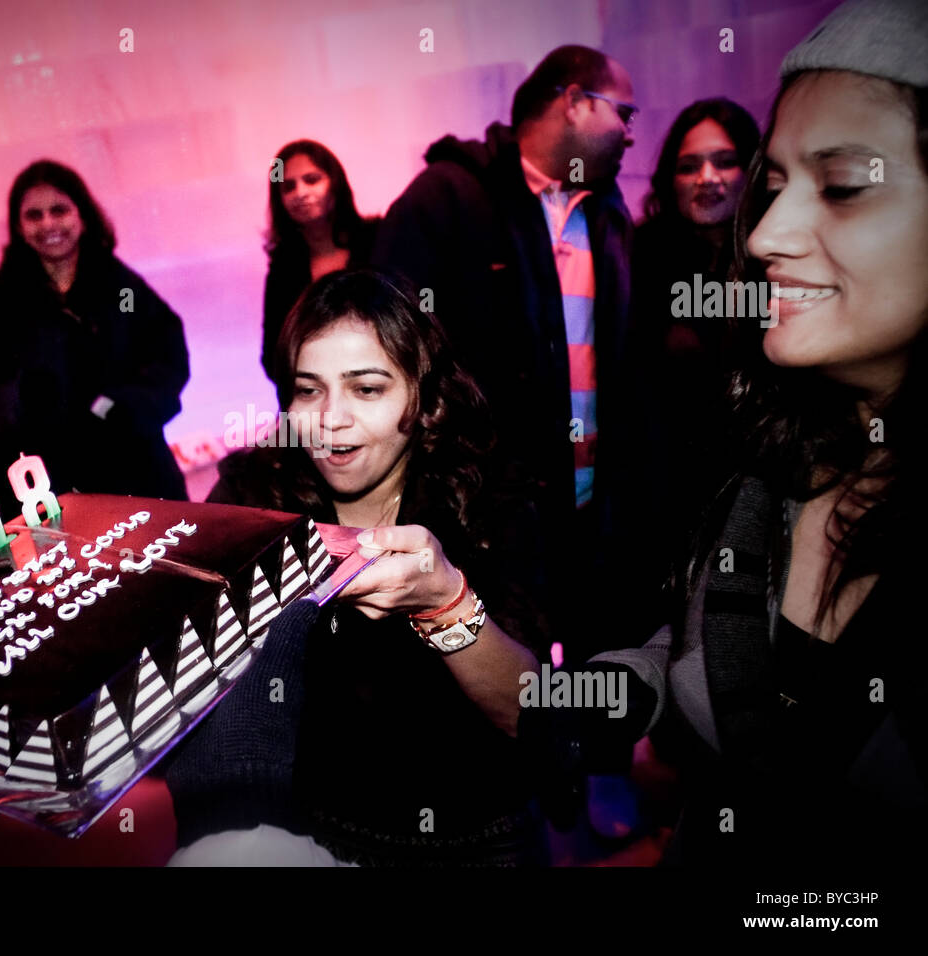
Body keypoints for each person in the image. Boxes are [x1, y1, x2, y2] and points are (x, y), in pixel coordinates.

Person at [521, 0, 928, 867]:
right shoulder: (773, 476)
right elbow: (697, 657)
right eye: (774, 191)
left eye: (845, 186)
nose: (771, 232)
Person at [167, 269, 550, 866]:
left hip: (475, 839)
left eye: (367, 389)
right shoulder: (254, 491)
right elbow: (194, 670)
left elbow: (526, 710)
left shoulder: (487, 495)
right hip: (311, 836)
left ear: (423, 395)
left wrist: (445, 601)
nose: (329, 419)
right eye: (308, 389)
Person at [373, 45, 652, 664]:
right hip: (492, 513)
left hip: (591, 501)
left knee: (597, 663)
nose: (633, 135)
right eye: (625, 113)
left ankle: (592, 758)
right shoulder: (449, 195)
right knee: (500, 674)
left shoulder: (607, 211)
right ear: (576, 102)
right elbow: (388, 338)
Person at [0, 160, 190, 502]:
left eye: (59, 210)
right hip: (50, 485)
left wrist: (117, 407)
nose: (48, 224)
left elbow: (168, 357)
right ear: (18, 226)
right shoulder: (2, 298)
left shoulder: (120, 284)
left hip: (135, 469)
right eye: (34, 215)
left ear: (82, 216)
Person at [631, 99, 761, 569]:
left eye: (725, 162)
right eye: (690, 167)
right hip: (661, 495)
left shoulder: (777, 256)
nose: (708, 177)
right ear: (671, 179)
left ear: (753, 170)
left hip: (760, 486)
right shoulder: (639, 258)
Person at [261, 140, 378, 393]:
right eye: (288, 186)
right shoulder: (283, 266)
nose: (300, 192)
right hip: (316, 407)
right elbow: (272, 354)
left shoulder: (377, 241)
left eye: (312, 179)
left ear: (335, 184)